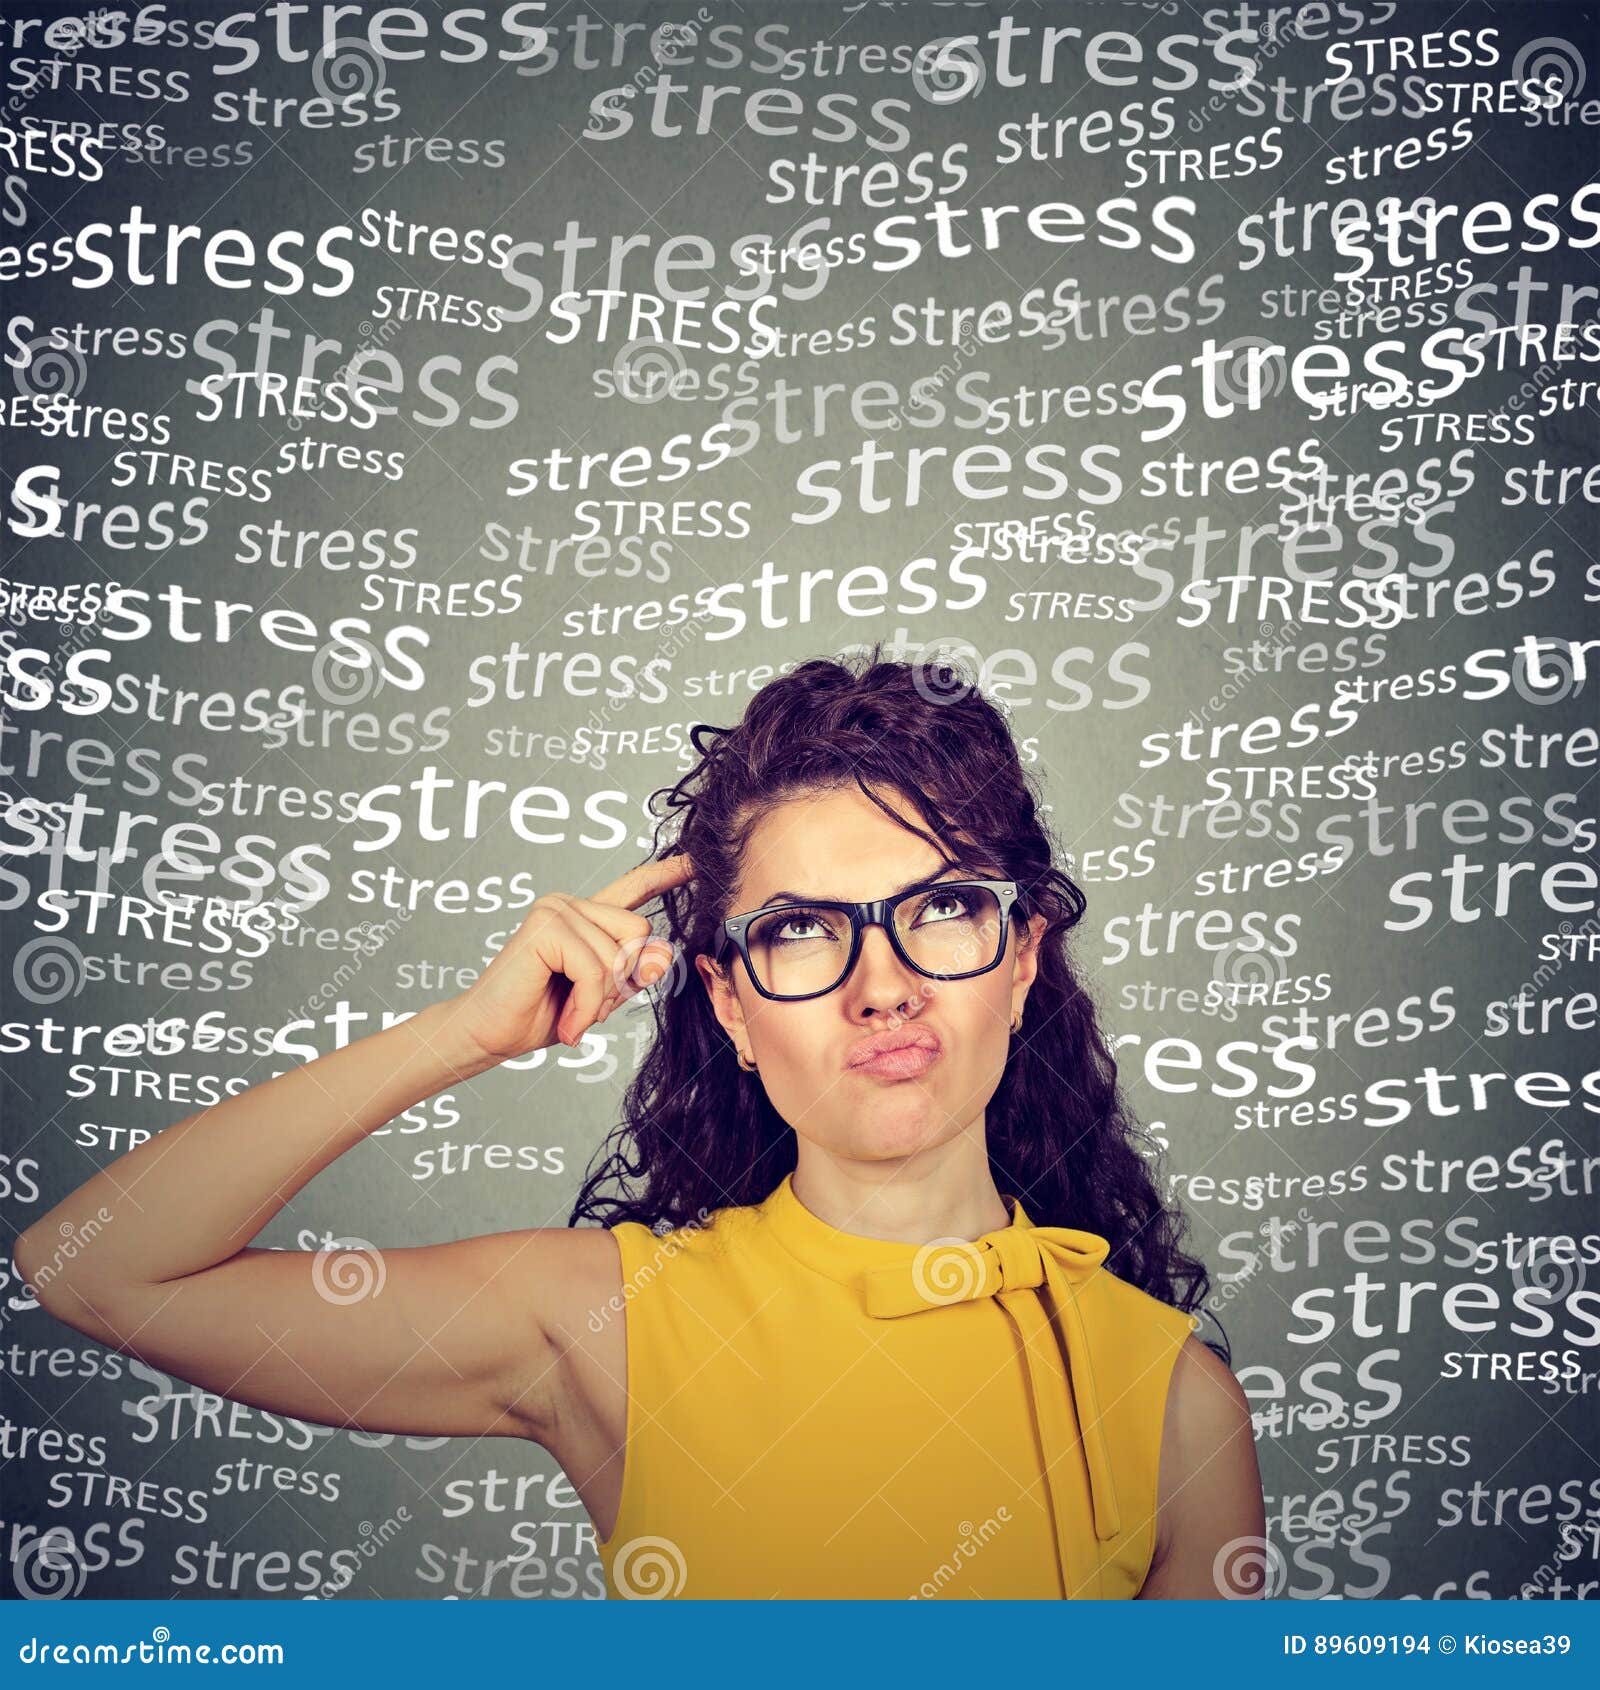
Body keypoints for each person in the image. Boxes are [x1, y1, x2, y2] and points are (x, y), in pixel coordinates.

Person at [16, 648, 1266, 1600]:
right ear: (726, 1002)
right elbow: (95, 1269)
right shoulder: (605, 1320)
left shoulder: (1172, 1401)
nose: (881, 985)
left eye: (937, 907)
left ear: (1021, 955)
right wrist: (466, 1030)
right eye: (800, 929)